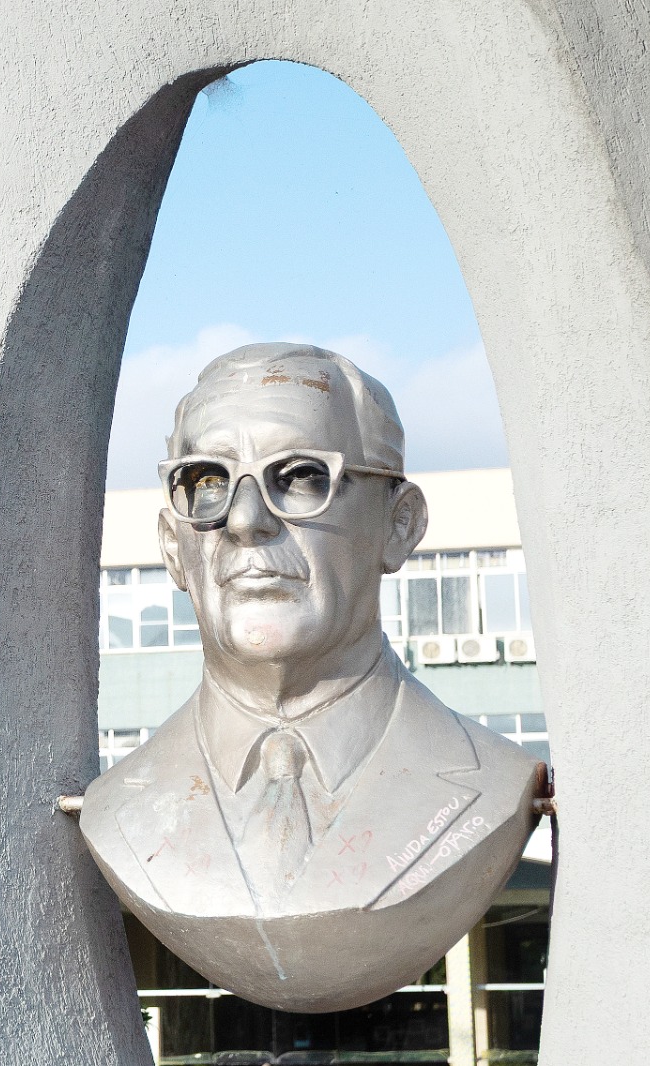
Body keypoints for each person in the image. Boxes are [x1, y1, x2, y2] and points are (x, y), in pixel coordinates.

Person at [79, 342, 540, 1014]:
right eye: (206, 479)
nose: (244, 520)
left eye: (297, 475)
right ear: (174, 548)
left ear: (400, 525)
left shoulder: (497, 783)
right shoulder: (115, 807)